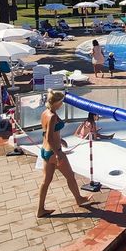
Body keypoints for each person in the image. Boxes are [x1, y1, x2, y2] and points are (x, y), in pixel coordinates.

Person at [36, 90, 95, 218]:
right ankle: (79, 199)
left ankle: (40, 209)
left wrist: (60, 139)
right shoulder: (52, 116)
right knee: (70, 175)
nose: (62, 104)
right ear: (57, 103)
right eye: (61, 102)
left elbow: (45, 133)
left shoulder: (46, 113)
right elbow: (50, 137)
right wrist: (58, 153)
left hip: (45, 150)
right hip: (53, 151)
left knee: (46, 181)